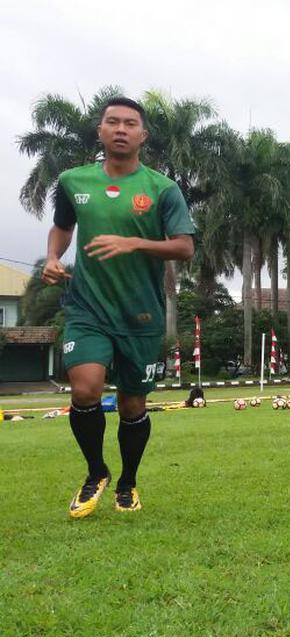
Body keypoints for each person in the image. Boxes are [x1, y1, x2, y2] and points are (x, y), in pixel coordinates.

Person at [45, 96, 197, 516]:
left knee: (132, 405)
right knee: (85, 389)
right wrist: (54, 257)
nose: (121, 129)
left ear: (142, 135)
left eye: (130, 123)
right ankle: (96, 472)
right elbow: (62, 227)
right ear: (100, 131)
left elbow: (184, 247)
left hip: (140, 313)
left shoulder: (162, 189)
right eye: (112, 122)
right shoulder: (73, 181)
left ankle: (128, 482)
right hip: (87, 308)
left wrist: (134, 243)